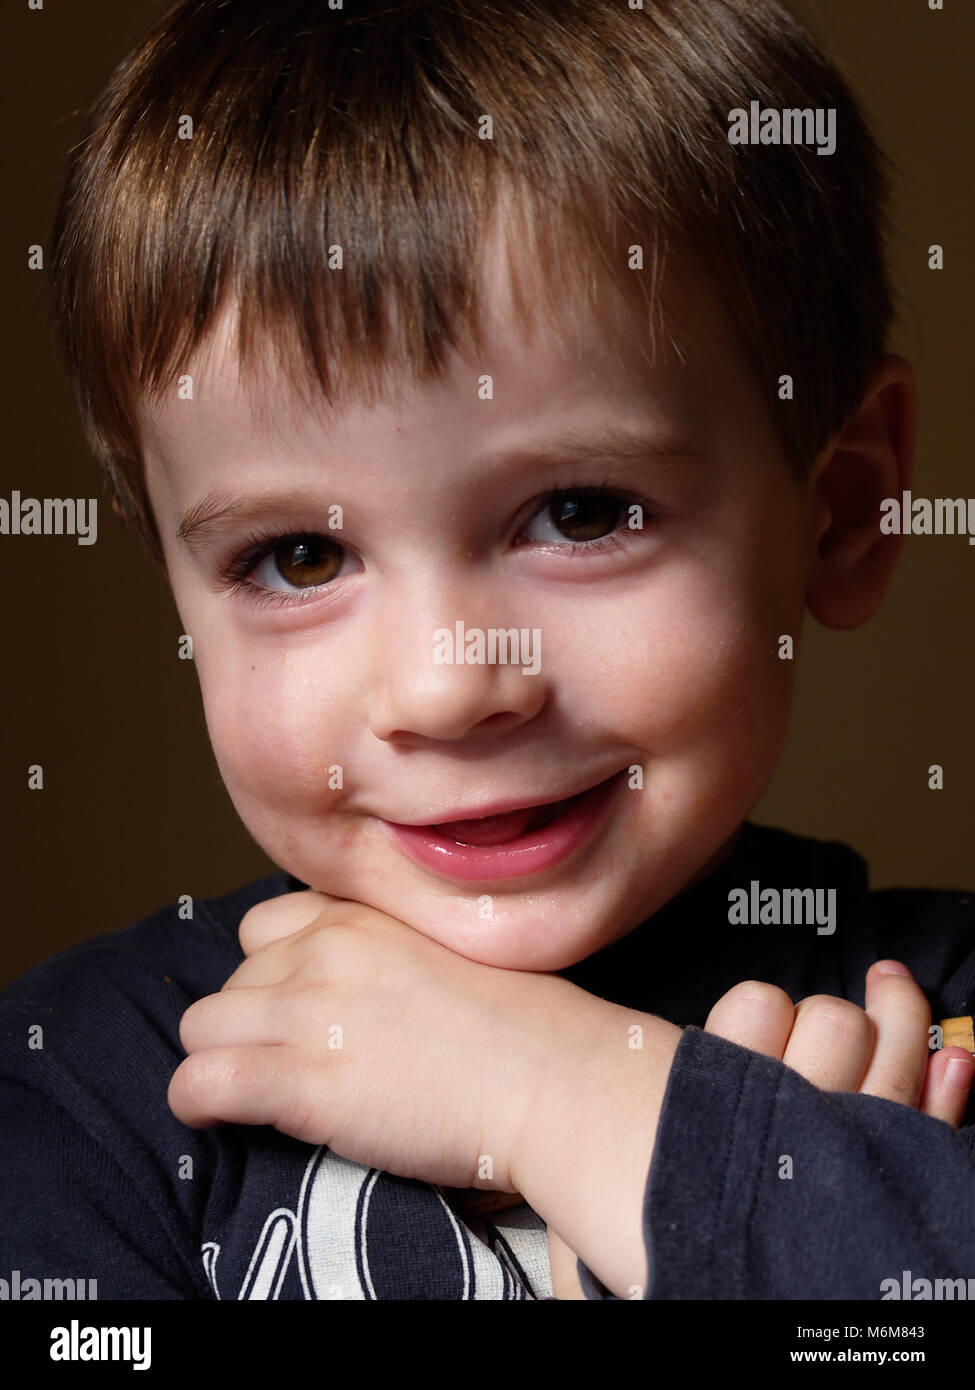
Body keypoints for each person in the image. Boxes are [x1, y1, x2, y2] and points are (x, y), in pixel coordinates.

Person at [2, 0, 972, 1301]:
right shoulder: (82, 1094)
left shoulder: (946, 1027)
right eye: (298, 555)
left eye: (581, 512)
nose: (448, 685)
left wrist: (573, 1099)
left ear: (844, 507)